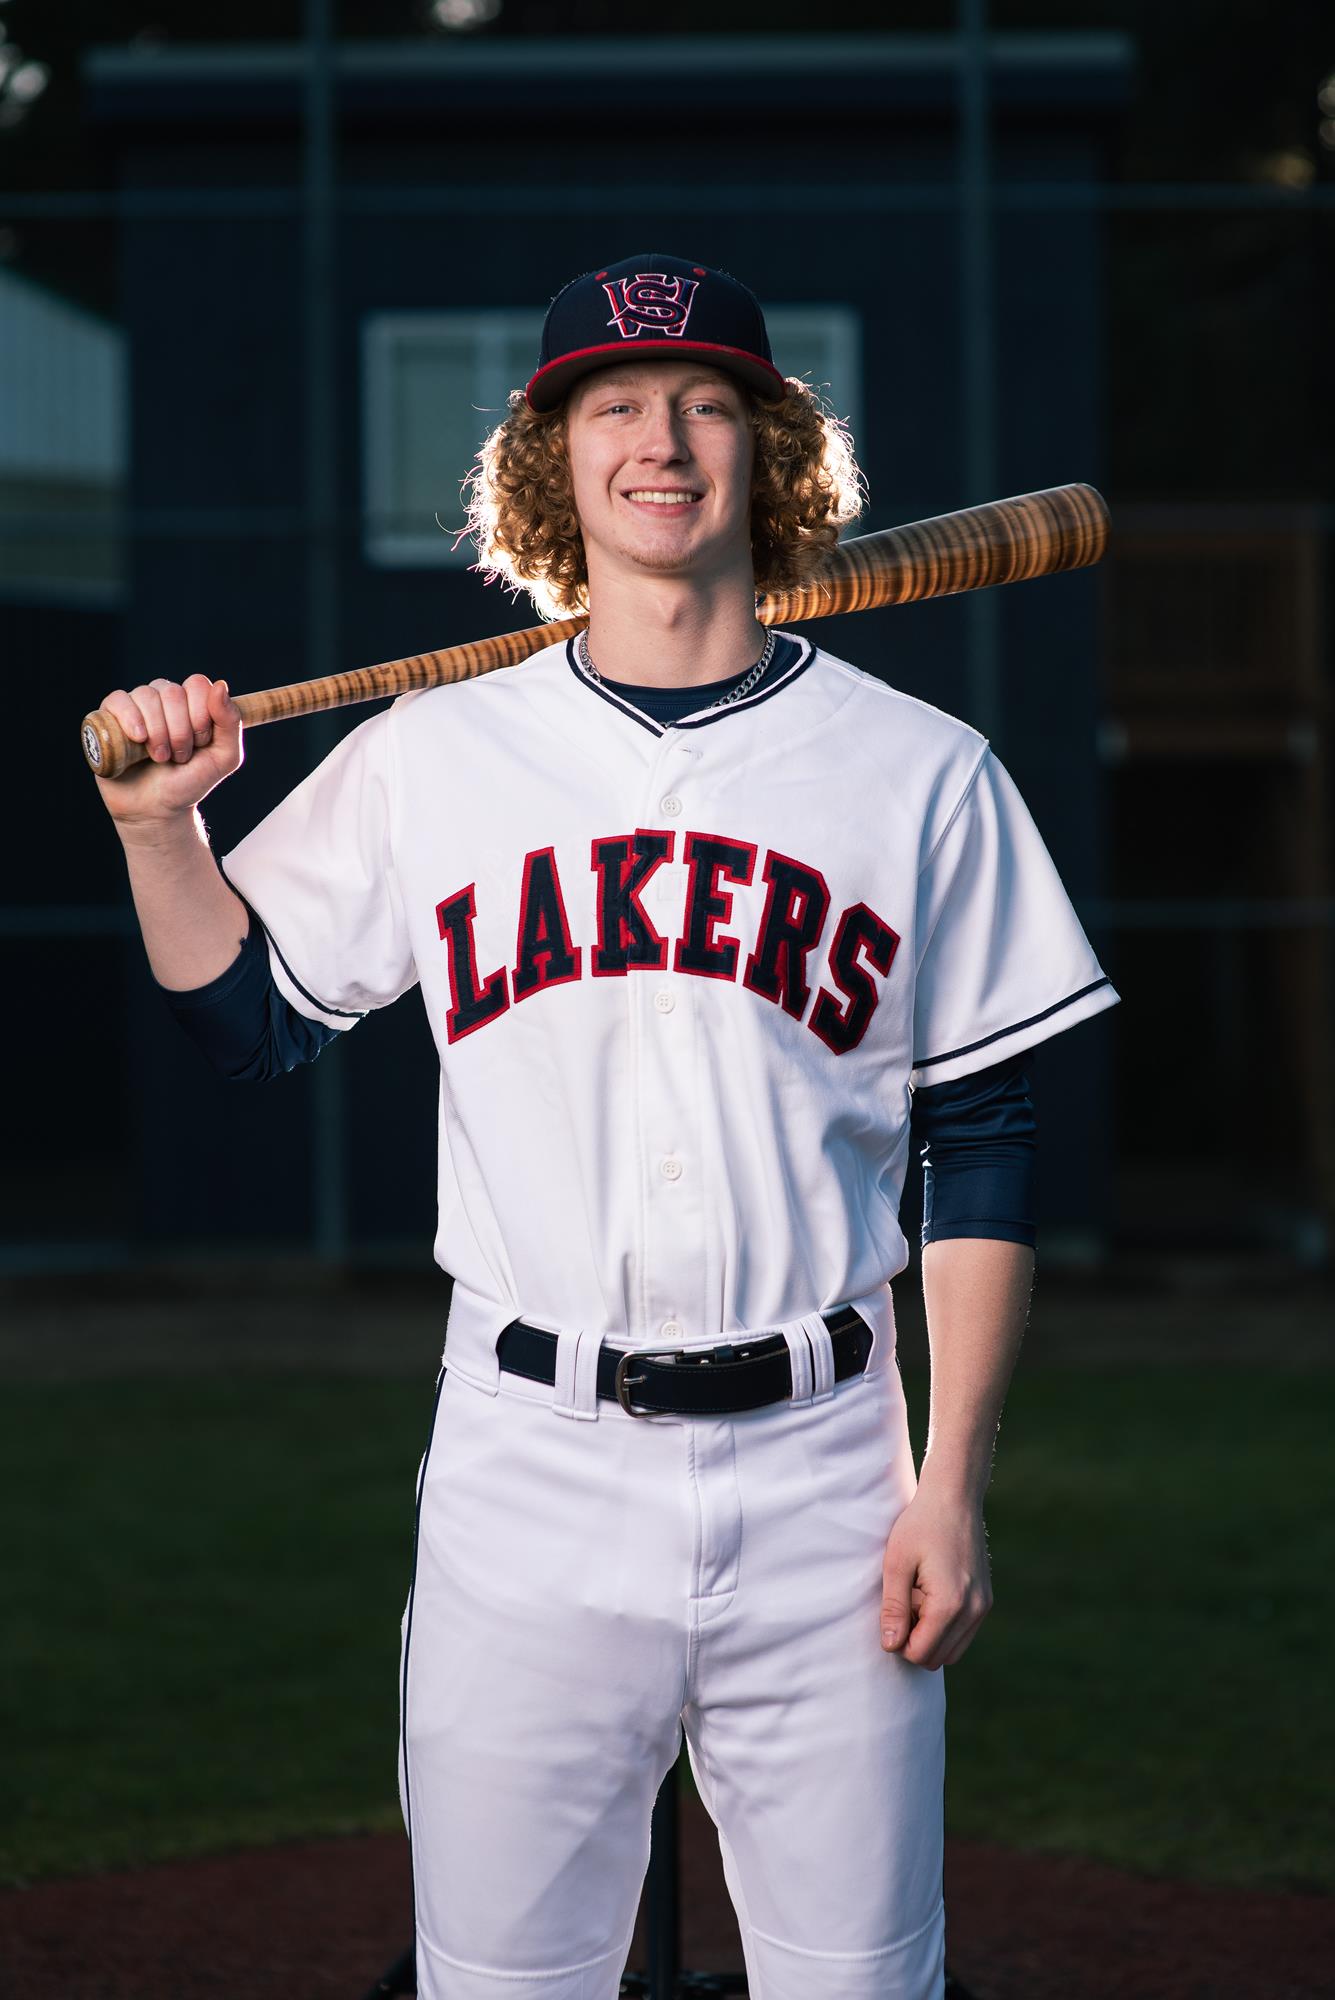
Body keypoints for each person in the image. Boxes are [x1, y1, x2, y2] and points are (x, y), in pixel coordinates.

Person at [92, 253, 1120, 2000]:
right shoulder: (440, 753)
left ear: (770, 454)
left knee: (862, 1978)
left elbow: (988, 1141)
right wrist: (156, 834)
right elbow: (251, 1026)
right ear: (550, 467)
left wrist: (951, 1485)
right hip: (526, 1465)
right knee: (502, 1979)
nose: (663, 439)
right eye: (615, 407)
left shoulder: (922, 769)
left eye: (709, 402)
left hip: (826, 1468)